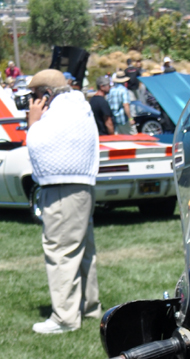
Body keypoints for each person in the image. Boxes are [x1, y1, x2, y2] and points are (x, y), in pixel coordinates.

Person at [26, 69, 100, 334]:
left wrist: (34, 122)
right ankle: (89, 307)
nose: (32, 102)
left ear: (47, 94)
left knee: (61, 251)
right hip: (82, 188)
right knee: (83, 252)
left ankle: (65, 318)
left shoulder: (57, 113)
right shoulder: (80, 106)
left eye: (35, 96)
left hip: (61, 190)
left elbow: (37, 146)